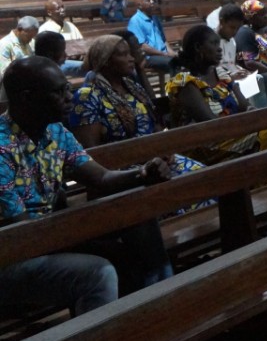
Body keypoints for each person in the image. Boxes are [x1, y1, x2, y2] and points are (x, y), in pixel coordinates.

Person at [0, 58, 174, 317]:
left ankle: (159, 308)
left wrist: (142, 174)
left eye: (67, 88)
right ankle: (102, 340)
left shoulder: (55, 132)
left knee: (136, 217)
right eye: (59, 92)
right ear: (26, 97)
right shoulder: (3, 147)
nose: (69, 97)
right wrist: (83, 225)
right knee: (98, 272)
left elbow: (101, 177)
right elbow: (26, 233)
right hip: (12, 255)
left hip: (47, 237)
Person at [69, 35, 203, 177]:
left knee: (203, 174)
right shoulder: (87, 97)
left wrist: (164, 149)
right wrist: (144, 156)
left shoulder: (133, 87)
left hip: (155, 159)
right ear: (105, 60)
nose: (131, 58)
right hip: (122, 171)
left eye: (130, 53)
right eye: (123, 55)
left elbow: (155, 125)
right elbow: (92, 153)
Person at [166, 26, 264, 162]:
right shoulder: (184, 82)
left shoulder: (221, 73)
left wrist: (253, 112)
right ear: (198, 47)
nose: (219, 49)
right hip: (205, 148)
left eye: (219, 44)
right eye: (213, 43)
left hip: (232, 136)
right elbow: (211, 123)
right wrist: (247, 124)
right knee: (265, 133)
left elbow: (244, 105)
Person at [126, 0, 175, 69]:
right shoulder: (135, 21)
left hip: (162, 54)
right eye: (148, 0)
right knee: (173, 63)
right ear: (139, 5)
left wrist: (172, 53)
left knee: (181, 60)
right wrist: (164, 54)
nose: (152, 2)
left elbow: (164, 41)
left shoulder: (155, 18)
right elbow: (143, 47)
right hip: (148, 57)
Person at [213, 4, 246, 75]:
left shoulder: (232, 41)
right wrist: (231, 75)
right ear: (222, 22)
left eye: (238, 28)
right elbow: (213, 70)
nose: (235, 32)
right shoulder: (210, 42)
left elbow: (231, 64)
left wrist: (240, 70)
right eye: (232, 27)